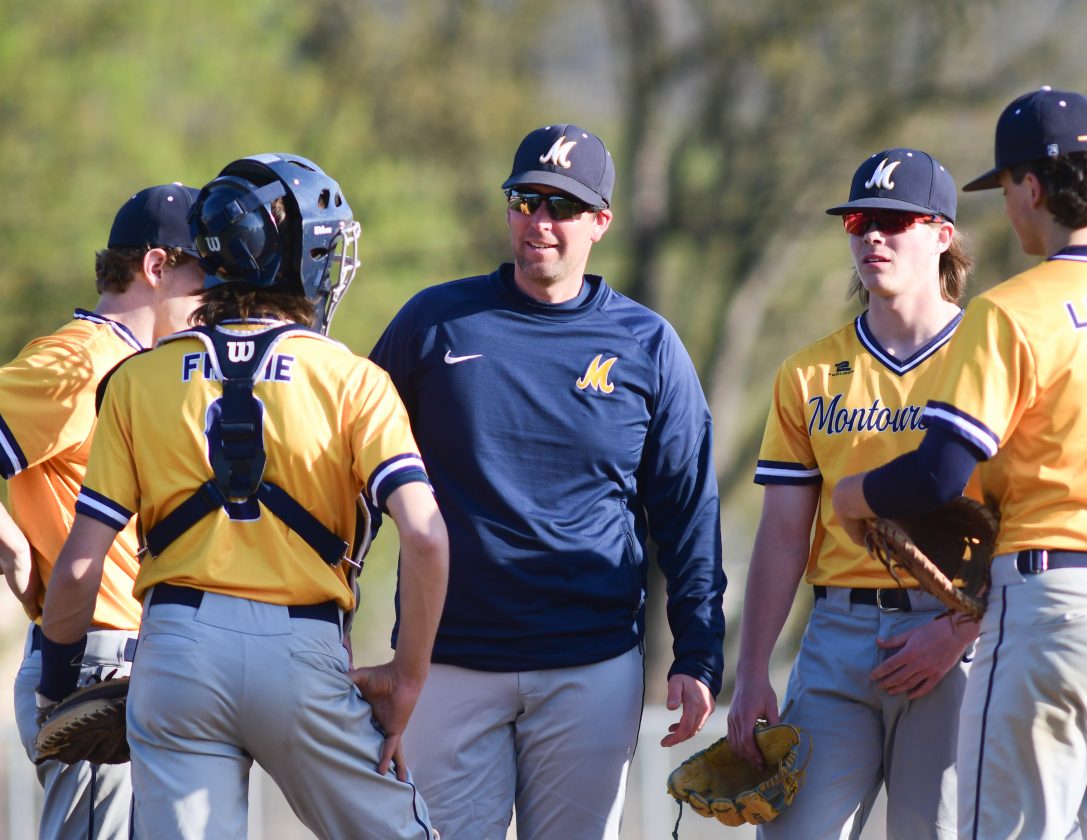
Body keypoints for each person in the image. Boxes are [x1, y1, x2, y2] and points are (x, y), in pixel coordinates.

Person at [37, 153, 449, 840]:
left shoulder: (138, 380)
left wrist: (57, 686)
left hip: (176, 650)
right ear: (297, 257)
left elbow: (81, 566)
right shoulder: (351, 378)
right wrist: (406, 679)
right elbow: (428, 537)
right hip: (301, 646)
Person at [369, 123, 726, 840]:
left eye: (561, 207)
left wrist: (697, 652)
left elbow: (686, 512)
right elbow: (351, 474)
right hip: (446, 662)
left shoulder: (647, 344)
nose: (539, 222)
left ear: (600, 222)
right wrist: (322, 622)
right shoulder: (435, 321)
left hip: (588, 666)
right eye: (525, 200)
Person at [832, 88, 1087, 839]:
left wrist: (856, 494)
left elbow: (939, 474)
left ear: (1032, 187)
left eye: (1007, 186)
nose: (1008, 206)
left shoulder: (1013, 310)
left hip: (1051, 603)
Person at [728, 148, 979, 839]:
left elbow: (1029, 519)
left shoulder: (991, 356)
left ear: (941, 234)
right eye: (860, 220)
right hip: (837, 634)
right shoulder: (809, 372)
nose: (872, 235)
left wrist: (960, 630)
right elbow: (782, 533)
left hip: (954, 633)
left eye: (895, 221)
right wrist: (750, 672)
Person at [1, 181, 206, 839]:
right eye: (203, 272)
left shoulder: (133, 366)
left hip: (132, 657)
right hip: (92, 664)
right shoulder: (79, 358)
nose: (215, 295)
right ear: (155, 267)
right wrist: (14, 552)